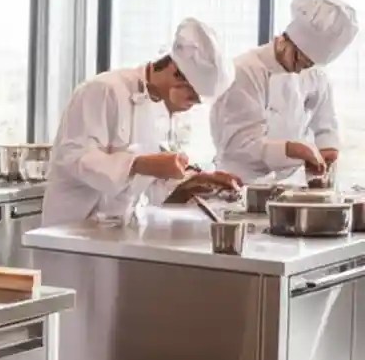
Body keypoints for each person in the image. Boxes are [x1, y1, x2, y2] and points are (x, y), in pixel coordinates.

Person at [41, 18, 241, 227]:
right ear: (175, 73)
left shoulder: (157, 110)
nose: (189, 107)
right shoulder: (103, 90)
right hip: (70, 231)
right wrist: (140, 164)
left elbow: (150, 190)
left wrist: (195, 182)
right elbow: (74, 159)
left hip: (117, 231)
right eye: (191, 98)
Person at [211, 0, 358, 184]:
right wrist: (292, 149)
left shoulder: (314, 75)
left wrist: (327, 150)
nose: (301, 68)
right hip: (238, 184)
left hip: (286, 187)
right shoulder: (244, 71)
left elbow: (325, 125)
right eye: (299, 59)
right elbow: (238, 145)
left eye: (309, 64)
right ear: (284, 40)